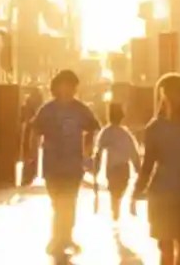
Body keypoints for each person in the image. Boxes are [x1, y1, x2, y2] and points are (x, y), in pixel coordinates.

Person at [135, 73, 180, 265]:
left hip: (163, 191)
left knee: (166, 247)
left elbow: (148, 164)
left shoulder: (155, 127)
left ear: (163, 96)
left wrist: (137, 190)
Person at [31, 69, 101, 258]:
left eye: (72, 85)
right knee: (57, 203)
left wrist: (88, 152)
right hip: (52, 165)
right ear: (57, 86)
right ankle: (60, 237)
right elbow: (35, 131)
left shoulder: (80, 109)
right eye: (65, 84)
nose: (69, 89)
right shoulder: (47, 110)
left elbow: (93, 127)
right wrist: (32, 157)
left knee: (68, 203)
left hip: (73, 165)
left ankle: (63, 237)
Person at [94, 102, 142, 220]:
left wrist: (96, 169)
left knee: (114, 192)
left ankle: (115, 213)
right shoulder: (125, 134)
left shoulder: (106, 132)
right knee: (118, 191)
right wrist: (138, 169)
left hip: (113, 168)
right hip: (123, 168)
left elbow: (98, 152)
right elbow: (133, 153)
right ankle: (116, 213)